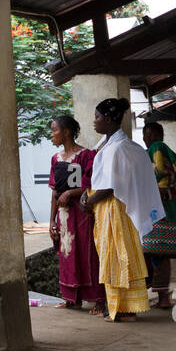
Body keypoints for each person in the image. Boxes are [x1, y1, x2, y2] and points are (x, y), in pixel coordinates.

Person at [82, 97, 164, 322]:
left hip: (115, 210)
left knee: (118, 256)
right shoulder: (115, 146)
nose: (94, 122)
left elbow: (109, 186)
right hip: (111, 210)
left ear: (108, 119)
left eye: (97, 118)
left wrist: (89, 201)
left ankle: (124, 309)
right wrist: (86, 196)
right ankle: (120, 307)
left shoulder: (119, 148)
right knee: (116, 255)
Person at [47, 115, 103, 312]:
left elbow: (92, 185)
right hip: (63, 216)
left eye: (54, 130)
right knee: (67, 255)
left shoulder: (87, 156)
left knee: (87, 254)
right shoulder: (56, 159)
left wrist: (71, 192)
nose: (52, 134)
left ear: (67, 132)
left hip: (82, 214)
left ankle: (97, 299)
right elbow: (54, 191)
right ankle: (71, 298)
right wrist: (51, 220)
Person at [141, 120, 176, 308]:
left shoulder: (157, 148)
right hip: (166, 208)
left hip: (158, 210)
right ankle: (162, 296)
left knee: (156, 251)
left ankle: (162, 298)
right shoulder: (155, 153)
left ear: (159, 136)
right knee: (159, 252)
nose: (148, 138)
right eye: (146, 135)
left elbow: (159, 171)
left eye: (151, 134)